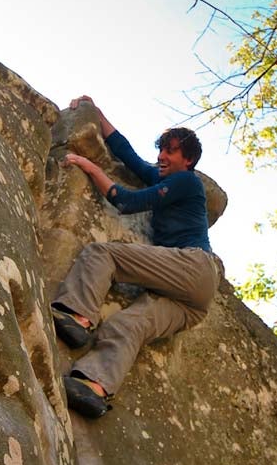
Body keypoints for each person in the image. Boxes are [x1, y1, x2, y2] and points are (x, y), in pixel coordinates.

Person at [51, 95, 224, 419]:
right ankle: (94, 386)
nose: (160, 156)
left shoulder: (187, 182)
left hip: (193, 266)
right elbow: (128, 154)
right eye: (160, 149)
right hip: (193, 304)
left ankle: (76, 316)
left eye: (169, 151)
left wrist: (88, 165)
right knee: (130, 324)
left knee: (103, 254)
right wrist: (98, 113)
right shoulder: (165, 178)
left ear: (188, 160)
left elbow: (126, 202)